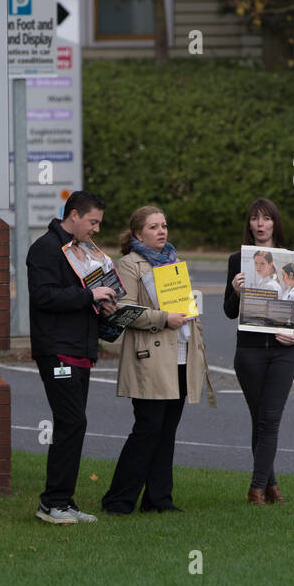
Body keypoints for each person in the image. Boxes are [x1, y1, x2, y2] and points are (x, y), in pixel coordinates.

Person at [101, 205, 214, 514]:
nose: (161, 231)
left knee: (166, 433)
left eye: (163, 225)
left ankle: (158, 500)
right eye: (153, 227)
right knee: (147, 430)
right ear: (138, 234)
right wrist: (164, 318)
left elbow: (186, 308)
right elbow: (123, 309)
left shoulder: (174, 262)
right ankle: (118, 500)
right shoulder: (129, 264)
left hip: (179, 355)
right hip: (150, 358)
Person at [28, 190, 119, 525]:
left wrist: (103, 303)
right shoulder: (45, 248)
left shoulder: (83, 253)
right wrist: (87, 295)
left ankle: (63, 501)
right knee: (72, 422)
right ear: (75, 215)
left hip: (81, 349)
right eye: (92, 222)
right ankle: (52, 503)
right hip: (56, 349)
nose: (95, 229)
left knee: (75, 423)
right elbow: (43, 296)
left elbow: (81, 298)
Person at [224, 198, 294, 505]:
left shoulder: (292, 259)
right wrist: (236, 292)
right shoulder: (238, 260)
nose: (260, 224)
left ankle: (256, 489)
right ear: (248, 224)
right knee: (259, 419)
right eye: (254, 219)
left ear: (275, 223)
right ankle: (271, 487)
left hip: (283, 352)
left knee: (270, 419)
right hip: (248, 352)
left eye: (266, 218)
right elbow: (228, 311)